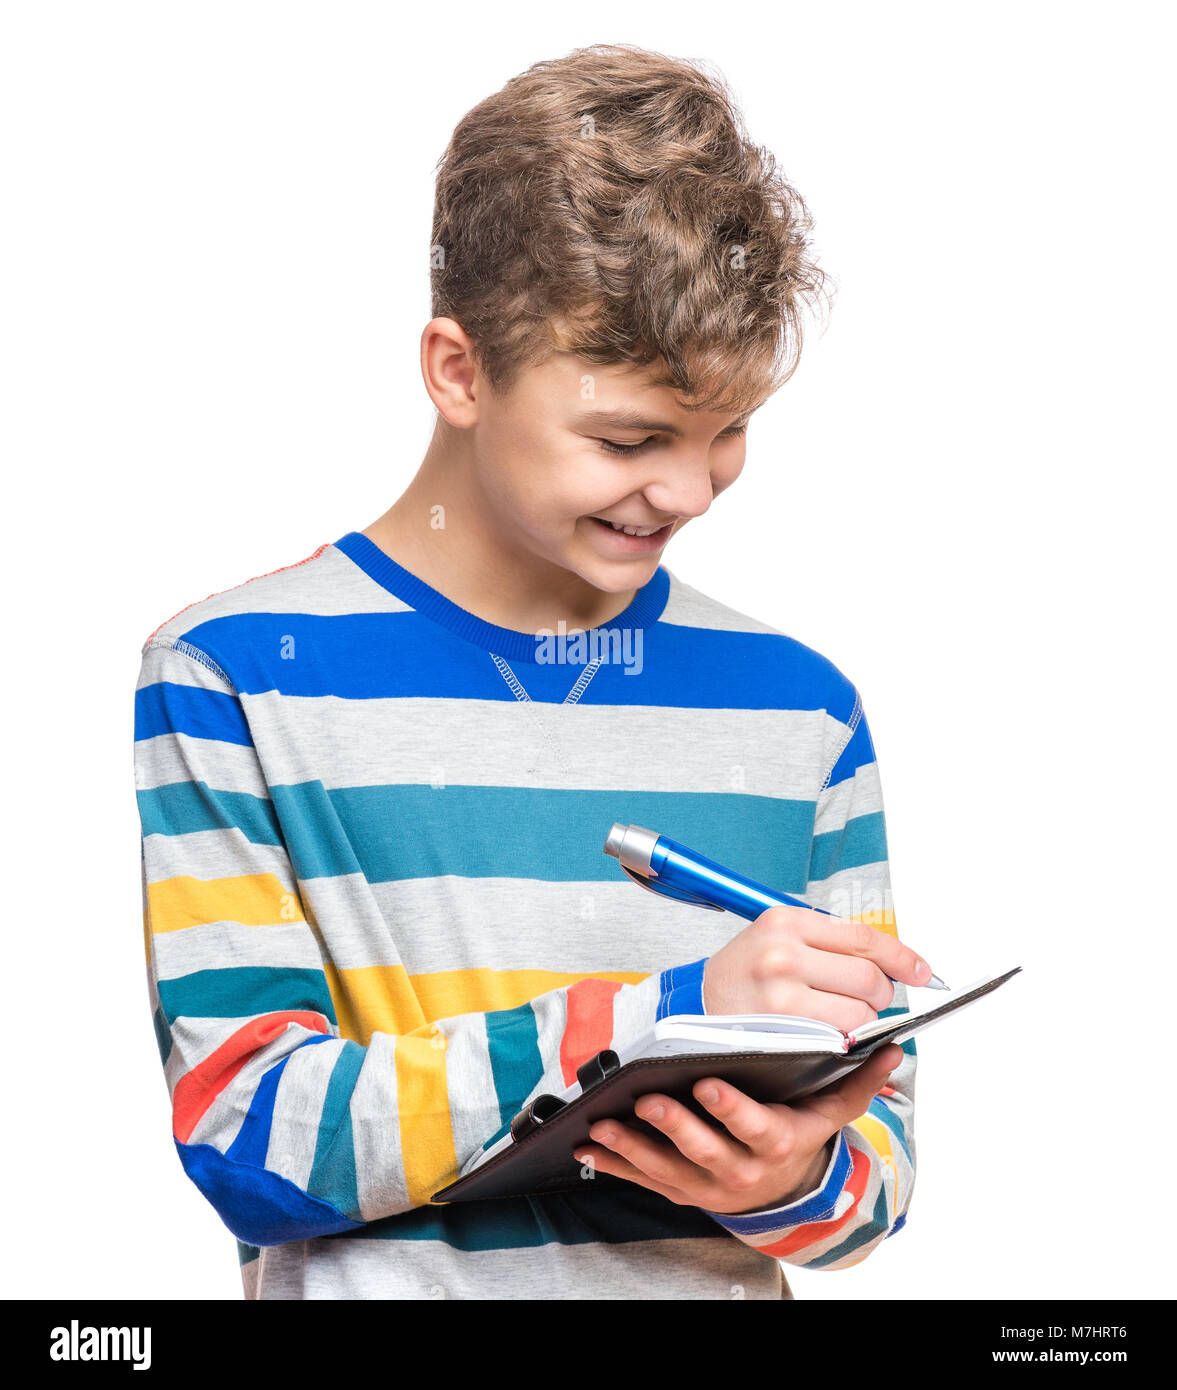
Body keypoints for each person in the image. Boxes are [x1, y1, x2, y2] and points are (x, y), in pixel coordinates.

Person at [133, 42, 930, 1301]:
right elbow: (247, 1134)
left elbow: (874, 1181)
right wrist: (640, 1025)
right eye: (631, 437)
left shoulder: (801, 708)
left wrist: (793, 1175)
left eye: (729, 436)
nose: (686, 490)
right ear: (459, 371)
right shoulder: (234, 675)